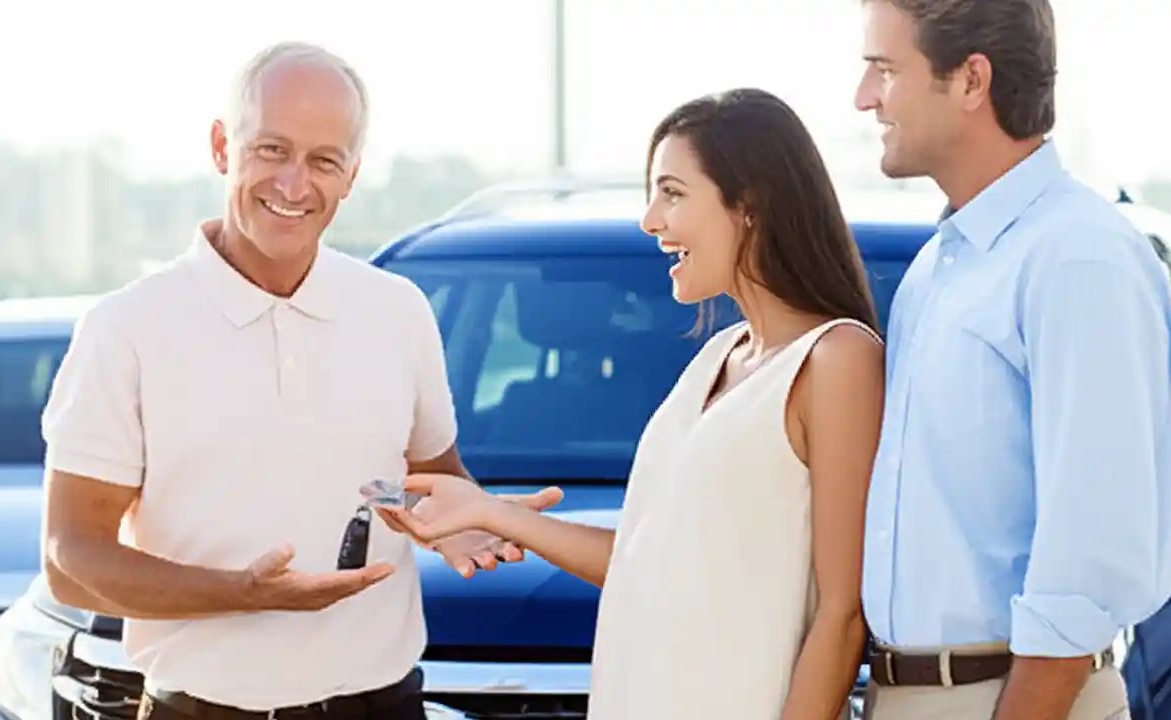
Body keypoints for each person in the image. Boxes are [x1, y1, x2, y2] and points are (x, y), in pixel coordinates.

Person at [39, 41, 558, 720]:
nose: (294, 185)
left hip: (383, 707)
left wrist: (458, 522)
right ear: (223, 146)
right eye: (272, 150)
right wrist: (242, 592)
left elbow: (427, 477)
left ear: (352, 175)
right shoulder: (126, 328)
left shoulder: (397, 310)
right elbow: (70, 559)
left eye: (323, 161)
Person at [377, 88, 886, 720]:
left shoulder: (836, 359)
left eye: (672, 193)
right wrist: (491, 511)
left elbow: (842, 613)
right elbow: (644, 562)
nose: (650, 220)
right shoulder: (720, 355)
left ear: (749, 203)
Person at [852, 1, 1171, 718]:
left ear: (972, 80)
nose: (864, 98)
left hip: (1013, 700)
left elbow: (1087, 558)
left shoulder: (1078, 257)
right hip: (910, 697)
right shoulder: (937, 269)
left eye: (884, 69)